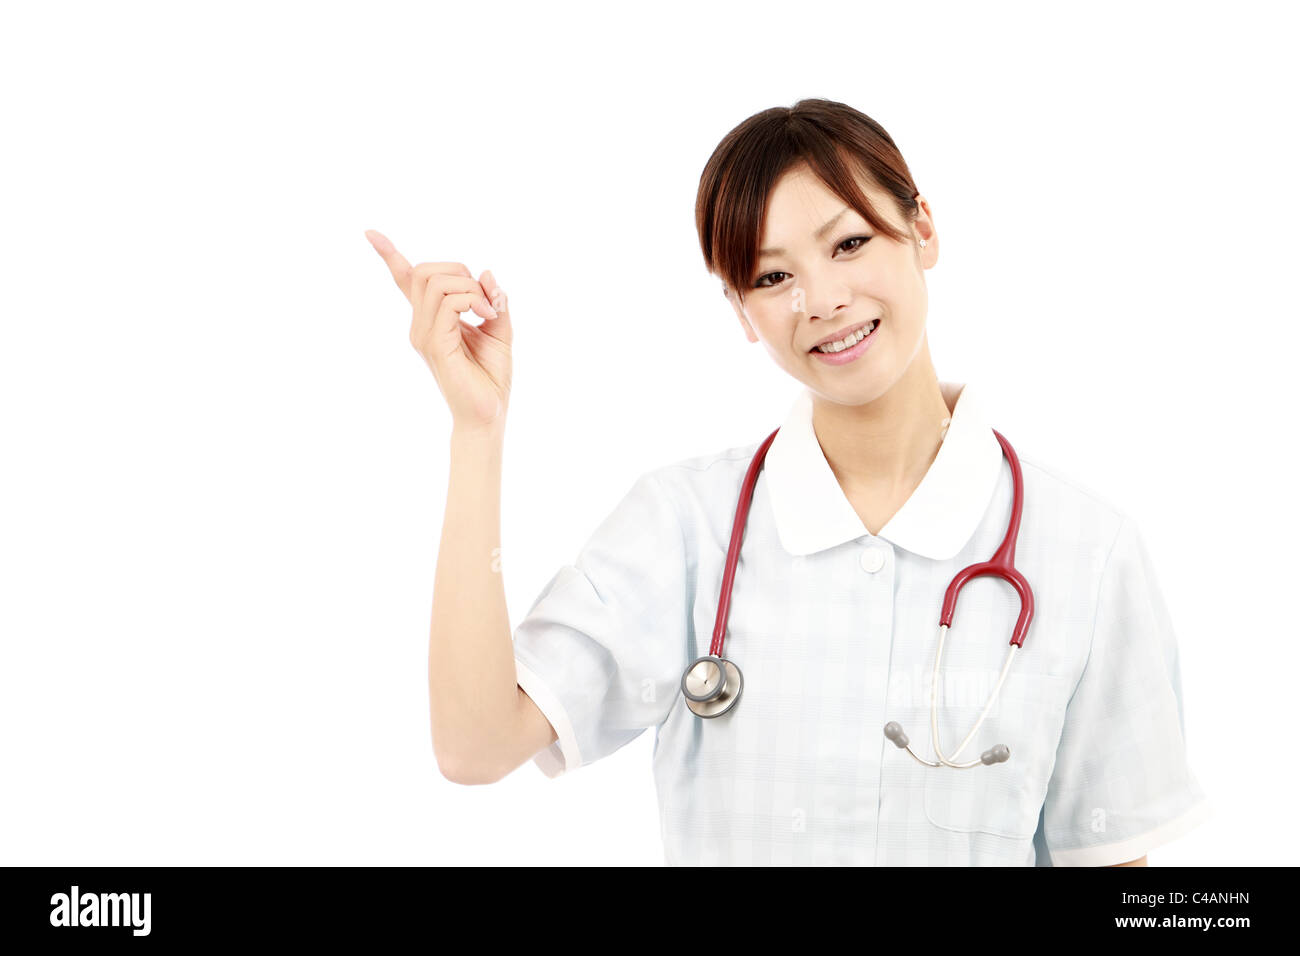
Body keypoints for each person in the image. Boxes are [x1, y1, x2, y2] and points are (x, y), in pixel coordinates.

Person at [365, 98, 1211, 867]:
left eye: (849, 243)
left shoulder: (1087, 552)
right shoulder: (684, 526)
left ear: (923, 230)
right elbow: (475, 746)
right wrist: (478, 431)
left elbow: (1116, 871)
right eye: (772, 277)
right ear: (740, 309)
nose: (822, 298)